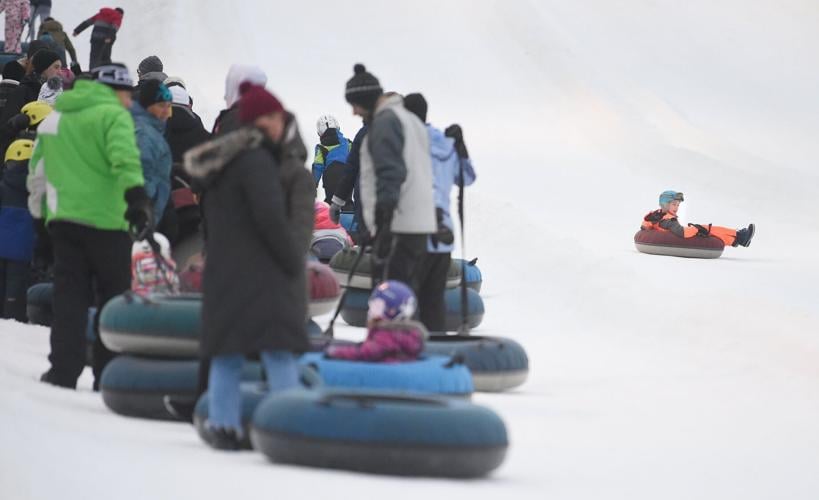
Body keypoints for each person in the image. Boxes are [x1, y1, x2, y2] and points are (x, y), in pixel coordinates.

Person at [182, 82, 309, 450]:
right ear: (259, 121)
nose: (279, 124)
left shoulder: (223, 163)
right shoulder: (257, 161)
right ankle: (289, 429)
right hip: (259, 273)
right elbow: (270, 219)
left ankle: (223, 426)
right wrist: (291, 261)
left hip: (224, 270)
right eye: (273, 117)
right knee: (278, 351)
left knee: (227, 353)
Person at [30, 62, 150, 390]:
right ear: (114, 90)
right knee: (112, 301)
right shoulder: (113, 116)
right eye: (127, 93)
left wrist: (40, 221)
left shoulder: (55, 118)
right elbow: (125, 160)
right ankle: (106, 374)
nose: (130, 101)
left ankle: (62, 371)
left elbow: (37, 175)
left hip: (65, 225)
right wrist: (138, 200)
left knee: (69, 299)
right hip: (109, 225)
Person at [345, 64, 436, 289]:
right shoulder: (409, 120)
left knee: (391, 296)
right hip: (417, 224)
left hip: (397, 228)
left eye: (355, 105)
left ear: (366, 100)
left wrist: (382, 222)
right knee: (408, 295)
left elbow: (390, 172)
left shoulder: (385, 123)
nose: (354, 112)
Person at [404, 93, 477, 332]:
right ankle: (436, 343)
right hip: (444, 237)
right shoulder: (445, 144)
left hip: (414, 232)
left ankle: (409, 346)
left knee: (407, 299)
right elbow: (467, 178)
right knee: (434, 299)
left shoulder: (406, 145)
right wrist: (462, 151)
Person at [326, 280, 425, 362]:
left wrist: (336, 352)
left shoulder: (387, 335)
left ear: (392, 311)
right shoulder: (406, 334)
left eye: (376, 305)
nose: (370, 309)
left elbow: (366, 353)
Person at [640, 191, 755, 247]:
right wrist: (697, 228)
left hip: (680, 233)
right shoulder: (668, 220)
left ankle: (738, 239)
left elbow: (645, 224)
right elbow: (682, 233)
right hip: (684, 235)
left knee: (710, 231)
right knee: (709, 229)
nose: (676, 208)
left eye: (678, 205)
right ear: (665, 204)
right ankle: (739, 235)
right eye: (674, 204)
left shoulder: (657, 215)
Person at [0, 48, 61, 155]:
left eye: (61, 68)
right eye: (56, 67)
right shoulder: (23, 91)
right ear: (44, 68)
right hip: (22, 154)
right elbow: (7, 128)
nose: (60, 72)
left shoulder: (58, 94)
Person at [0, 137, 35, 321]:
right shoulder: (36, 192)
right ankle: (14, 318)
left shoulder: (2, 187)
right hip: (23, 253)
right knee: (15, 293)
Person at [131, 79, 173, 227]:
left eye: (169, 106)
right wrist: (143, 215)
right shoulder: (145, 135)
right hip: (142, 216)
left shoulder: (152, 130)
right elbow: (143, 177)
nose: (166, 112)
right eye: (161, 106)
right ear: (147, 106)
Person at [211, 64, 266, 136]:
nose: (225, 97)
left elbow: (220, 141)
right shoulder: (263, 118)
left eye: (229, 89)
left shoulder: (235, 118)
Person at [311, 114, 352, 205]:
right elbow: (356, 161)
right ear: (338, 127)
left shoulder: (321, 148)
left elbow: (317, 167)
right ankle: (349, 209)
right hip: (347, 180)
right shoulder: (348, 144)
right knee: (347, 203)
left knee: (330, 203)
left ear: (319, 133)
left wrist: (312, 187)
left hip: (330, 182)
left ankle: (329, 209)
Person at [131, 232, 179, 296]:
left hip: (142, 300)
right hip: (165, 300)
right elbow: (175, 284)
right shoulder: (167, 270)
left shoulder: (136, 271)